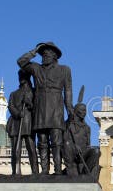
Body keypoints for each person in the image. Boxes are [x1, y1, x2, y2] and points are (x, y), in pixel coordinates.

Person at [17, 42, 73, 175]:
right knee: (42, 141)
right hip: (40, 108)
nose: (44, 56)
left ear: (54, 56)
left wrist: (69, 108)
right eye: (42, 54)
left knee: (56, 141)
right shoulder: (36, 68)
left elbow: (68, 91)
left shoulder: (64, 69)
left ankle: (58, 169)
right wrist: (33, 52)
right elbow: (20, 62)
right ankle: (44, 170)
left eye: (47, 54)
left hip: (56, 108)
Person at [62, 87, 101, 180]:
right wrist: (74, 147)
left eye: (85, 110)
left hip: (82, 153)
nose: (84, 112)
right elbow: (65, 140)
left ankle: (85, 173)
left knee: (96, 151)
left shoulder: (87, 128)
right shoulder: (69, 125)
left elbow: (88, 144)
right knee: (67, 145)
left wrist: (87, 149)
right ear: (76, 111)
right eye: (82, 110)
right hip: (71, 152)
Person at [6, 69, 39, 175]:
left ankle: (35, 171)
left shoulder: (34, 92)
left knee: (31, 147)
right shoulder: (14, 93)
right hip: (16, 123)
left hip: (29, 123)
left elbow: (38, 107)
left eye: (24, 77)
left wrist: (30, 104)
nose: (21, 79)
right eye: (20, 77)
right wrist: (17, 113)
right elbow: (10, 106)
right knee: (16, 149)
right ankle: (15, 171)